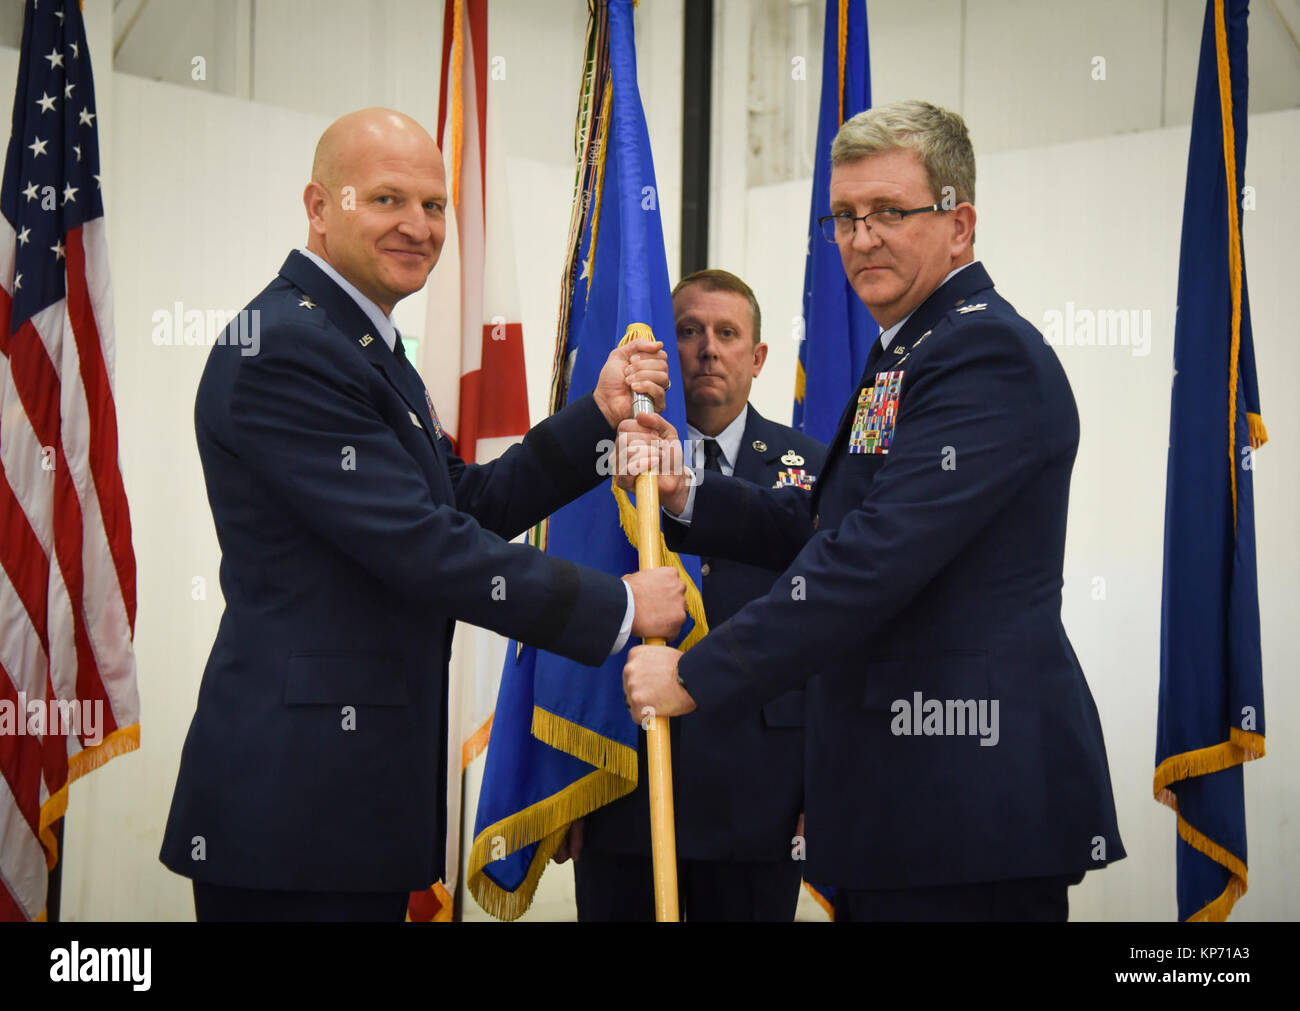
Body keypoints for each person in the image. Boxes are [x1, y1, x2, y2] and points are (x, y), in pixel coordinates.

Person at [159, 108, 685, 922]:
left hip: (347, 800)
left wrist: (596, 417)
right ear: (319, 206)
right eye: (387, 200)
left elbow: (462, 501)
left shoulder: (356, 341)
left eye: (435, 206)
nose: (418, 226)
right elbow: (423, 544)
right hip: (296, 810)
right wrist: (617, 606)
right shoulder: (287, 347)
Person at [619, 100, 1125, 921]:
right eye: (846, 217)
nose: (862, 238)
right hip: (903, 801)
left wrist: (697, 674)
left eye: (891, 212)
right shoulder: (910, 347)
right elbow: (829, 525)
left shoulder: (979, 352)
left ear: (959, 224)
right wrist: (689, 494)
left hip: (963, 796)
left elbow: (873, 556)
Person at [566, 270, 826, 921]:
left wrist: (821, 783)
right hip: (621, 786)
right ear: (665, 353)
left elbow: (830, 638)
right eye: (689, 331)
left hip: (759, 796)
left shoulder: (815, 472)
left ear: (758, 356)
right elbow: (566, 612)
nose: (707, 348)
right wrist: (561, 777)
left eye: (727, 333)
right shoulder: (607, 462)